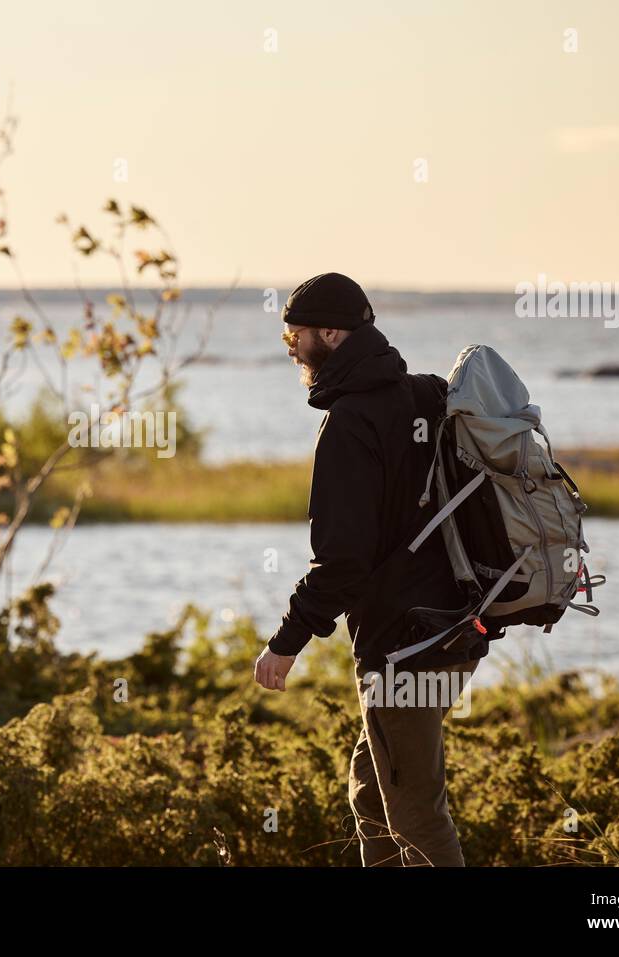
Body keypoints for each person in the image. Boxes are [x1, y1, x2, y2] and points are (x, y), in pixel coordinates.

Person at [252, 272, 487, 867]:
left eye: (295, 338)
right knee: (373, 793)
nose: (292, 351)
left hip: (403, 645)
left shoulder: (351, 423)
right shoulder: (428, 394)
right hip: (458, 630)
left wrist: (286, 642)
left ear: (330, 334)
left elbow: (343, 564)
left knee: (415, 818)